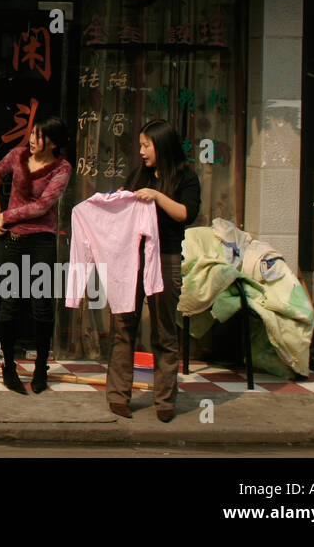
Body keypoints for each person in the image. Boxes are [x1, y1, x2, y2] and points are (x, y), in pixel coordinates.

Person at [108, 119, 201, 422]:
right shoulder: (140, 173)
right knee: (124, 326)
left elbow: (186, 213)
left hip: (165, 258)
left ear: (161, 145)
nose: (142, 151)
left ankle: (165, 401)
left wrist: (157, 196)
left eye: (146, 145)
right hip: (132, 257)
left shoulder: (186, 177)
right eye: (141, 145)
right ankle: (119, 395)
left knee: (164, 330)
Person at [0, 116, 73, 394]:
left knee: (42, 306)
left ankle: (40, 369)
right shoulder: (18, 155)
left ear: (54, 142)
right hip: (13, 241)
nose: (32, 139)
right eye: (32, 134)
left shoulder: (62, 168)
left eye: (39, 136)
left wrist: (6, 217)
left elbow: (43, 205)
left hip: (42, 243)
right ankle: (8, 366)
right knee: (9, 303)